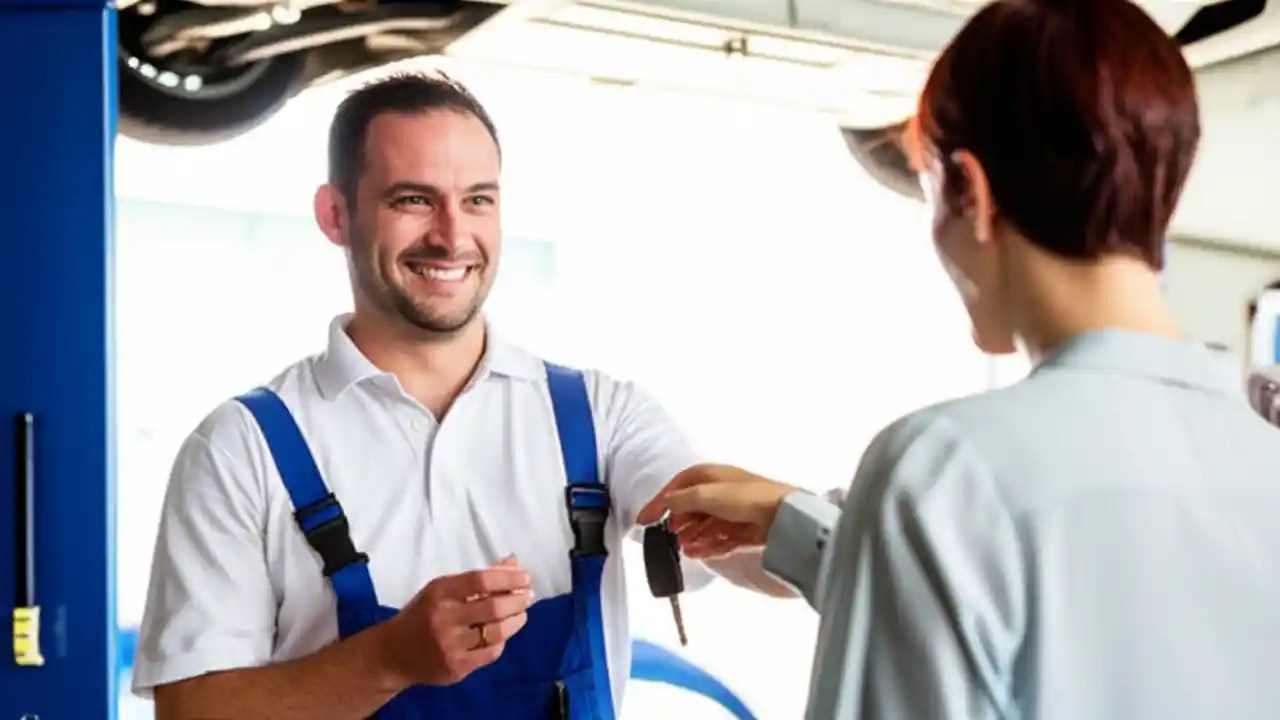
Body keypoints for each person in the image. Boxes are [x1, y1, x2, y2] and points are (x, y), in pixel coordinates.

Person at [641, 0, 1280, 718]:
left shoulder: (940, 468)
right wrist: (814, 529)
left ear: (971, 193)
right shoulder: (1262, 459)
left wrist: (884, 524)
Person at [131, 72, 793, 720]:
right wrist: (387, 660)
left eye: (477, 199)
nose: (452, 236)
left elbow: (740, 553)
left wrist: (791, 523)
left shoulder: (600, 418)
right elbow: (191, 711)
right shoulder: (242, 449)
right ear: (336, 215)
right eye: (413, 200)